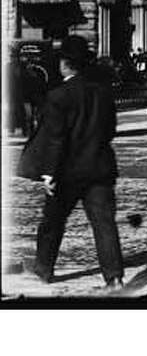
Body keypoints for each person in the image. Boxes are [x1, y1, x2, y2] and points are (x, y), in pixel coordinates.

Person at [20, 36, 124, 289]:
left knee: (52, 223)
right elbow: (110, 130)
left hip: (67, 172)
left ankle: (43, 269)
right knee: (104, 224)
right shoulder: (103, 92)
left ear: (65, 63)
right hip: (99, 167)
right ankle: (115, 278)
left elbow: (56, 139)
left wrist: (48, 173)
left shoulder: (58, 96)